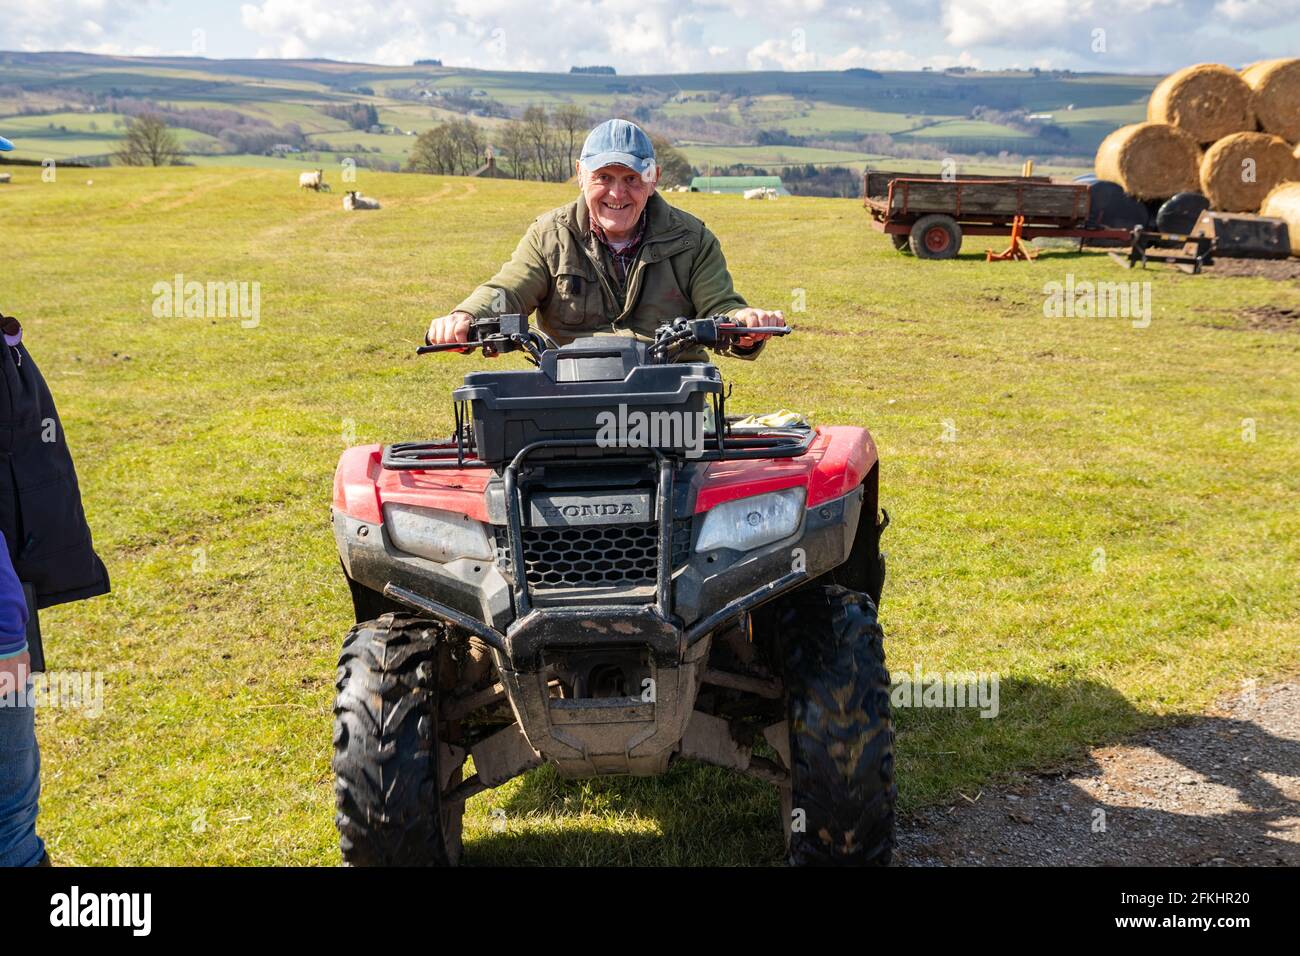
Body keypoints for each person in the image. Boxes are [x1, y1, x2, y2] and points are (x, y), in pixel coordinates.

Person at [427, 118, 785, 358]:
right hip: (571, 400)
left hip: (670, 404)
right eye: (603, 178)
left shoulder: (692, 240)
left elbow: (720, 307)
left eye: (630, 178)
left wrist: (744, 323)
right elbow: (508, 290)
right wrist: (465, 317)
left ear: (653, 178)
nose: (617, 194)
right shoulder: (550, 237)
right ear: (581, 175)